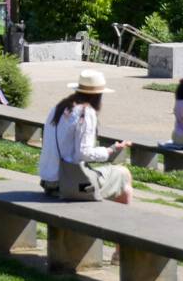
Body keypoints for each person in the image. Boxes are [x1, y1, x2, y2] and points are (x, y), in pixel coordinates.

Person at [43, 68, 133, 204]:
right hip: (69, 184)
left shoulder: (59, 107)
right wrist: (110, 150)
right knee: (124, 176)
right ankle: (120, 223)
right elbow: (83, 153)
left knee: (121, 185)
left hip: (48, 181)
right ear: (98, 96)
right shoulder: (86, 112)